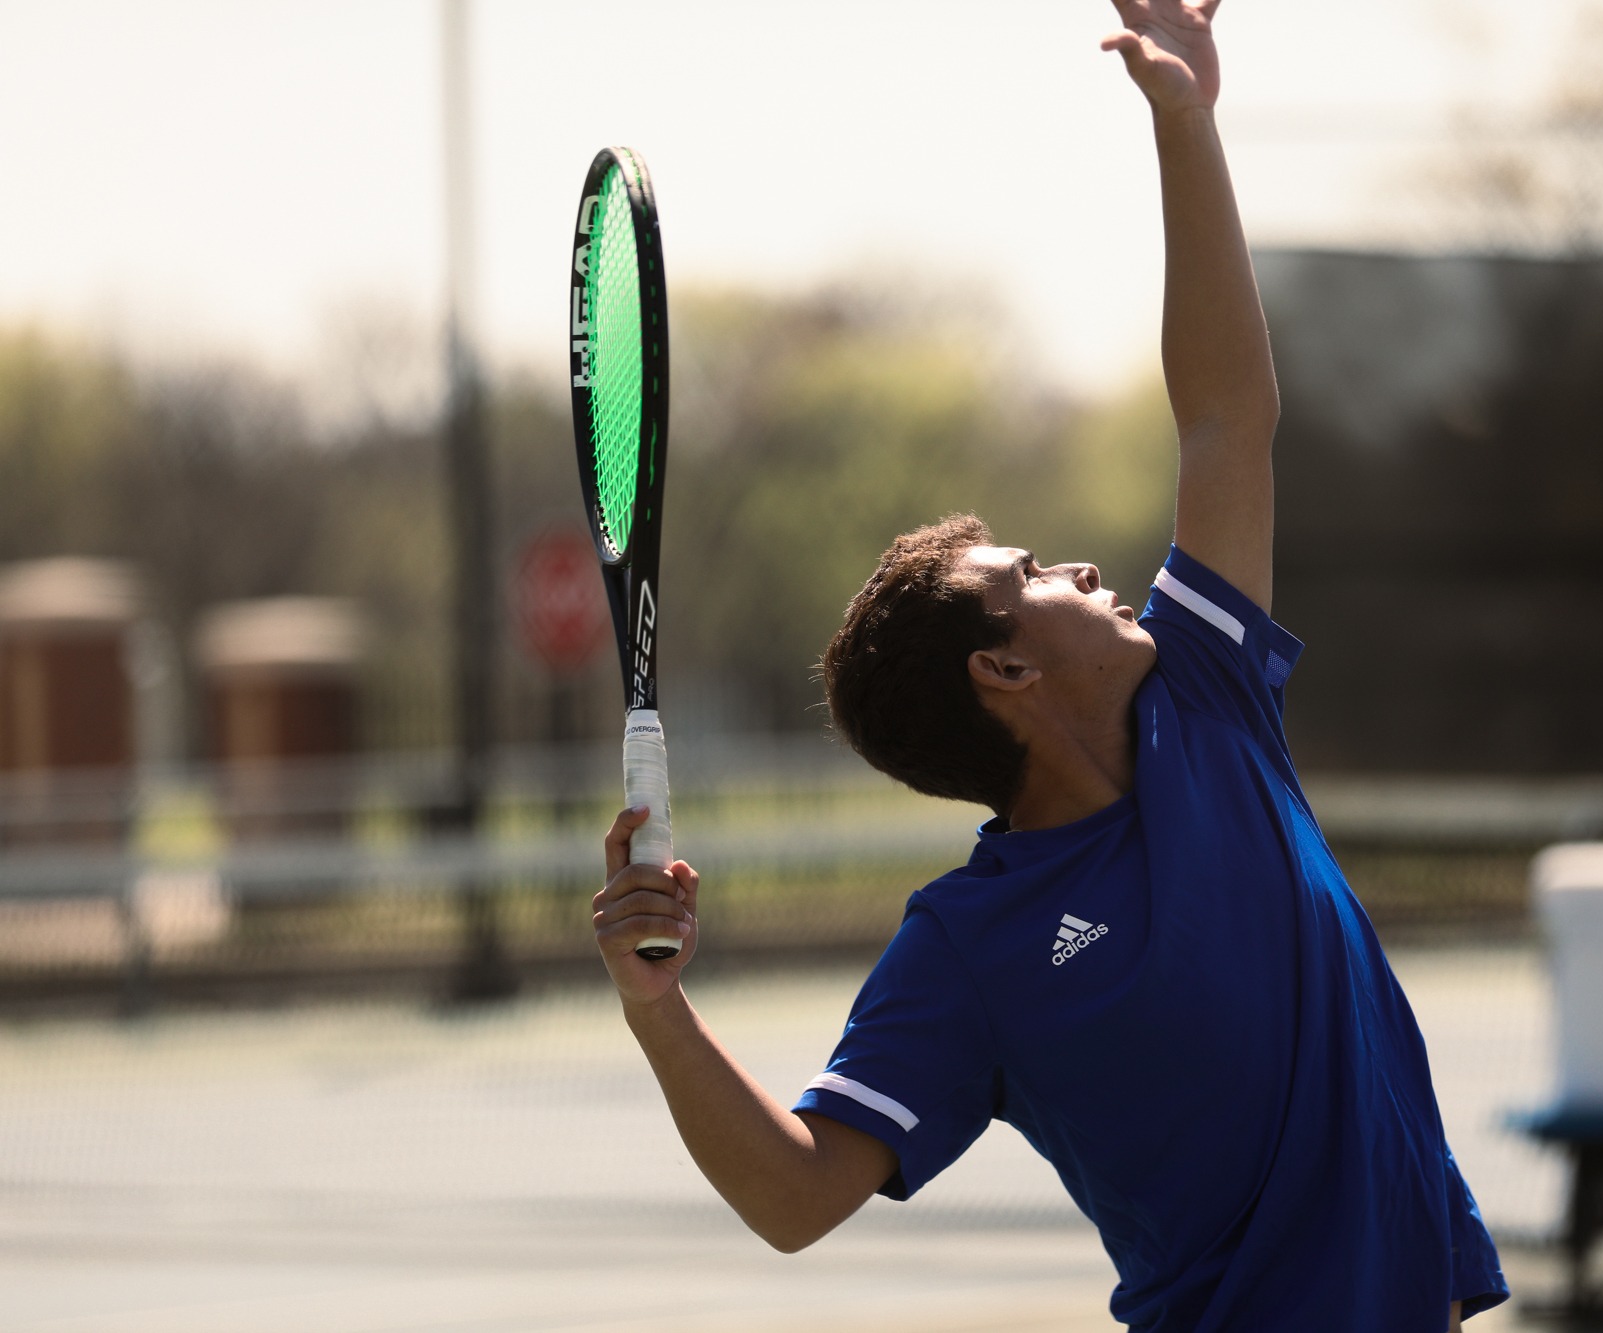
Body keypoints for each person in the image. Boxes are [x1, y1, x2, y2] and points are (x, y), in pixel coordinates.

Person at [592, 3, 1509, 1327]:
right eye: (1034, 576)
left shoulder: (1207, 699)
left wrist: (1186, 123)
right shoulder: (972, 946)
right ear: (1005, 672)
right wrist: (657, 1010)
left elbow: (1226, 418)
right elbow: (796, 1195)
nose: (1082, 567)